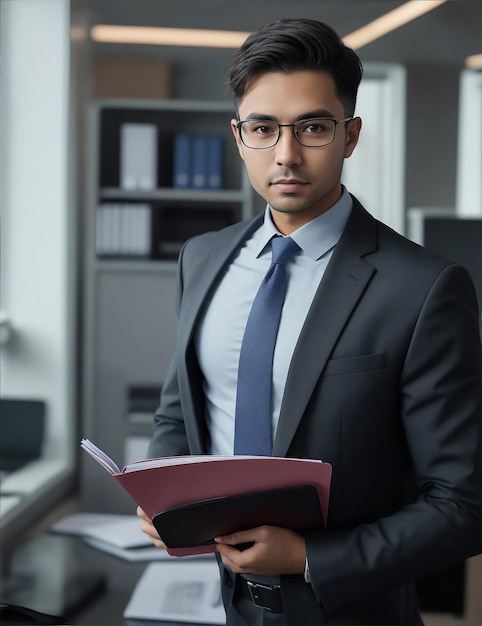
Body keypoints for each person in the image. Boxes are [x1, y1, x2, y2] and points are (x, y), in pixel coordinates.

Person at [138, 17, 482, 626]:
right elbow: (181, 407)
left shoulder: (424, 287)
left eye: (313, 128)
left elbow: (464, 505)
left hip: (351, 610)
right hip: (219, 602)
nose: (287, 155)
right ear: (239, 136)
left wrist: (310, 557)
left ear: (349, 136)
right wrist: (164, 494)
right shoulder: (203, 257)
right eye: (264, 129)